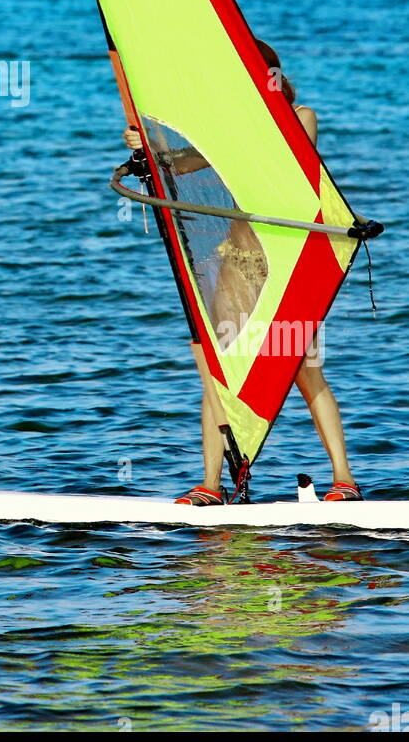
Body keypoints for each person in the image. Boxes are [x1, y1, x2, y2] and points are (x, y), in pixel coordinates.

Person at [123, 38, 362, 505]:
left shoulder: (300, 117)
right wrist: (151, 148)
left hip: (284, 267)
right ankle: (212, 485)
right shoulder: (231, 129)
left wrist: (229, 130)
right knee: (218, 375)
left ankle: (344, 480)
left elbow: (286, 163)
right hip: (234, 264)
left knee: (304, 370)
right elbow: (189, 163)